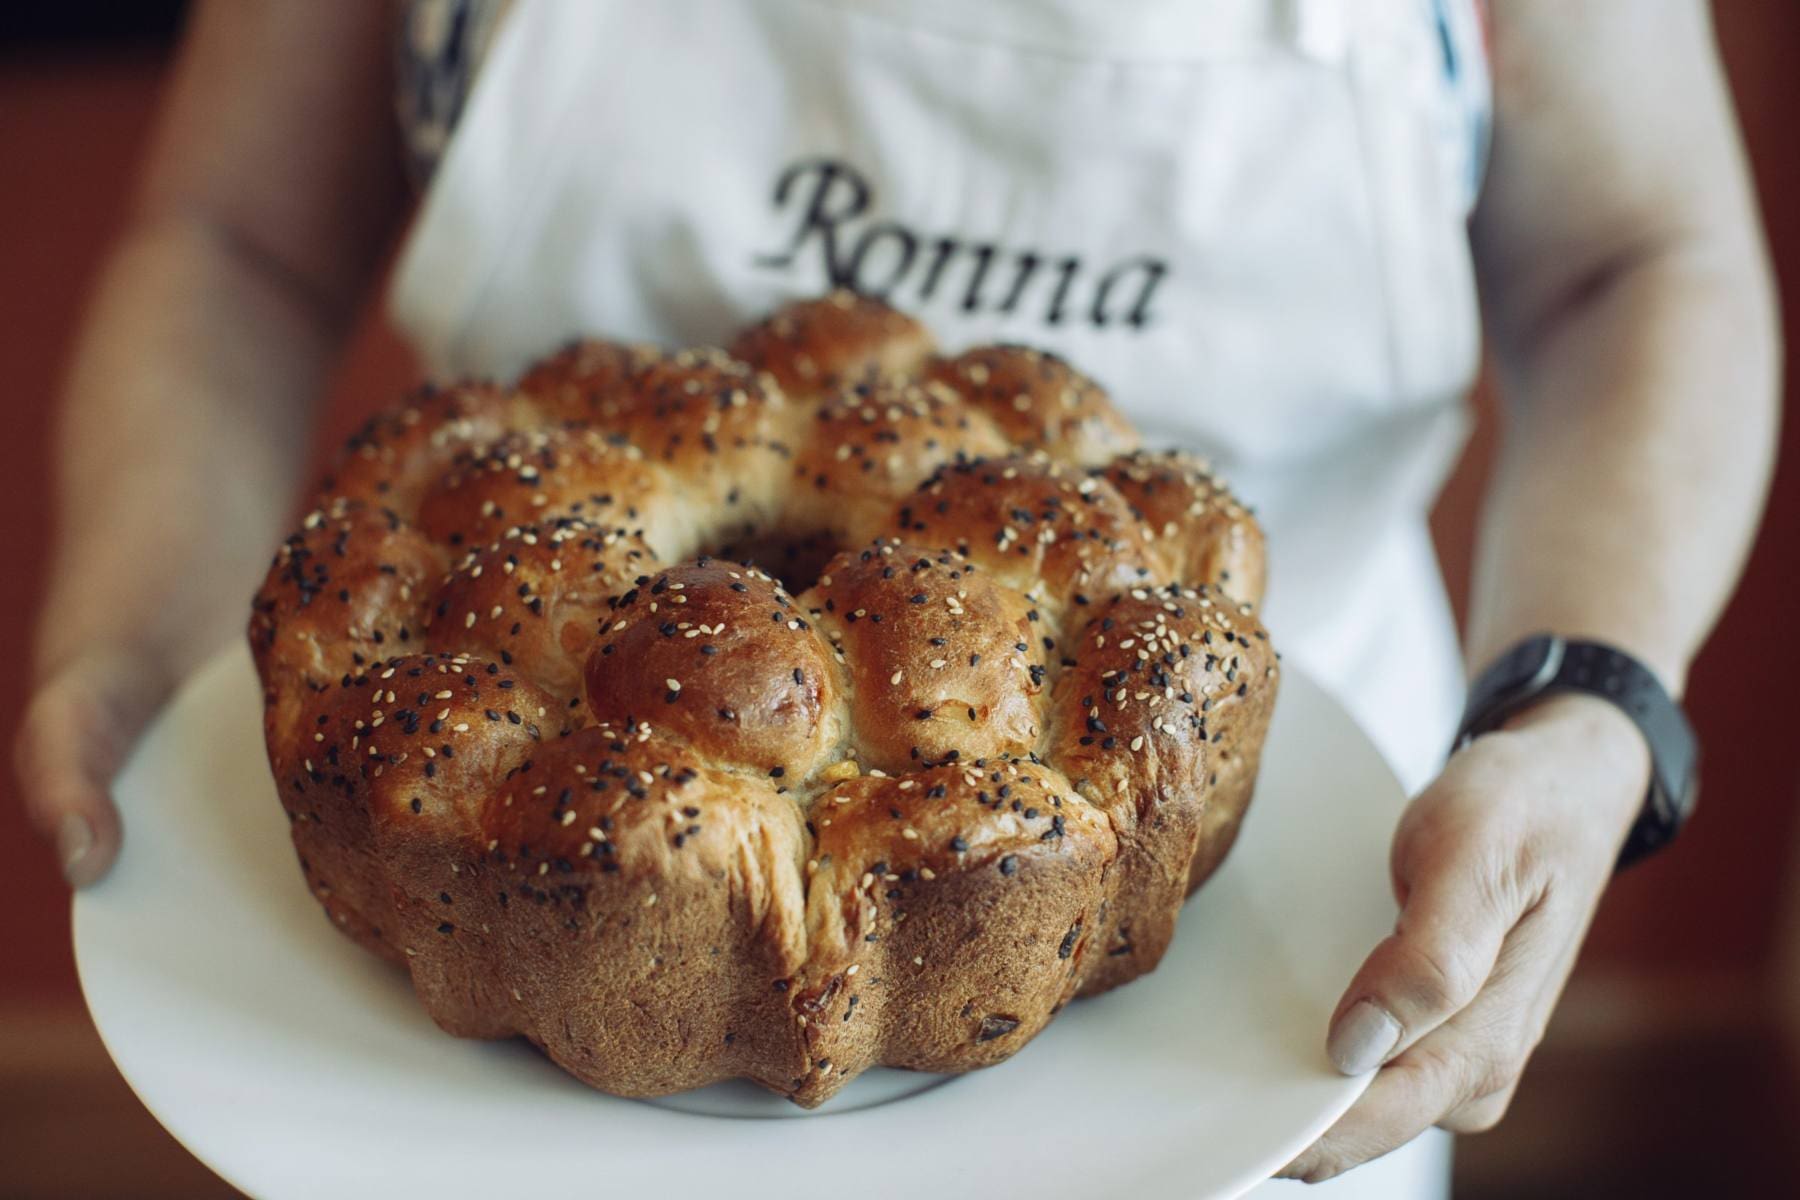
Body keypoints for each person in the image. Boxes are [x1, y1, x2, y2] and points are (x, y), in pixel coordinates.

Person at [14, 1, 1778, 1193]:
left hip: (1270, 967)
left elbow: (1645, 259)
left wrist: (1583, 707)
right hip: (469, 975)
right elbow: (233, 238)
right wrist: (143, 613)